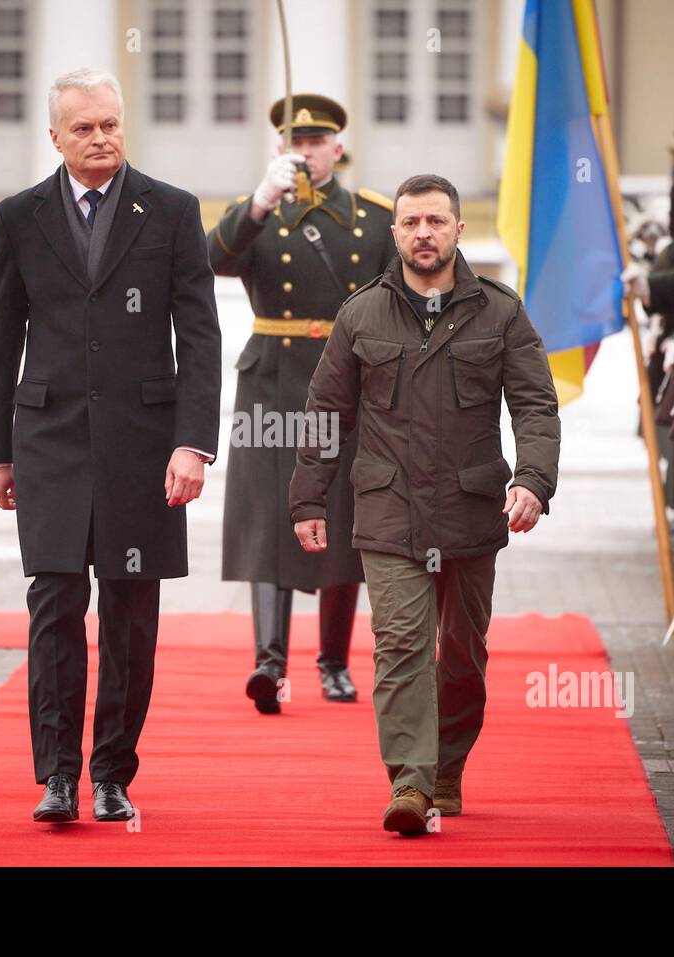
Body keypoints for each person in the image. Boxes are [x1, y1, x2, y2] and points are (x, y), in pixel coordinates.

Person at [0, 68, 220, 824]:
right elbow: (0, 338)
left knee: (129, 616)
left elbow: (200, 335)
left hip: (144, 451)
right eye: (83, 128)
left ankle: (112, 772)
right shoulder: (20, 217)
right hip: (48, 444)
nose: (101, 138)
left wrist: (193, 444)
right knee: (54, 606)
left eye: (110, 123)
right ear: (55, 137)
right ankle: (56, 775)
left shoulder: (172, 211)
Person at [289, 173, 561, 834]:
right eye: (411, 222)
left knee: (462, 652)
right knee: (401, 643)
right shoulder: (361, 314)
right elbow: (326, 412)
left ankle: (447, 765)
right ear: (395, 233)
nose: (424, 233)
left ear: (459, 229)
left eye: (436, 221)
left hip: (471, 507)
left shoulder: (500, 312)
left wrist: (533, 479)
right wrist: (308, 498)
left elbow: (534, 404)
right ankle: (410, 781)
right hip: (388, 507)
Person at [209, 94, 396, 713]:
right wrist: (260, 201)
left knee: (343, 516)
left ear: (337, 148)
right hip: (270, 382)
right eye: (297, 142)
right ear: (280, 149)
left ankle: (334, 662)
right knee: (268, 518)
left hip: (347, 382)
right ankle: (268, 662)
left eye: (318, 142)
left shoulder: (373, 218)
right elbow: (211, 259)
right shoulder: (258, 213)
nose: (307, 151)